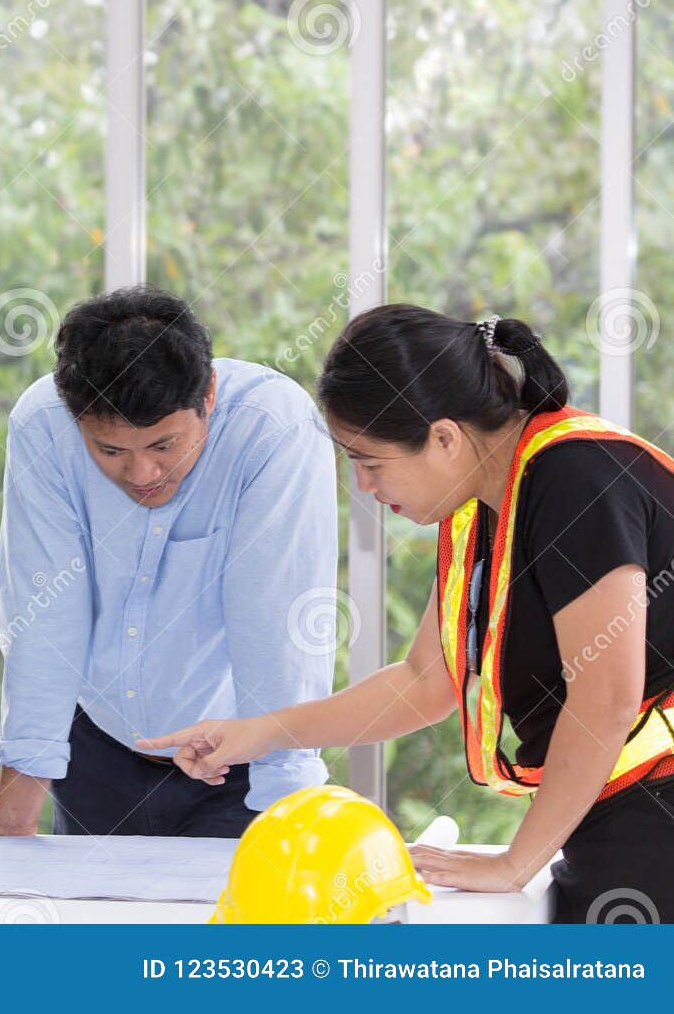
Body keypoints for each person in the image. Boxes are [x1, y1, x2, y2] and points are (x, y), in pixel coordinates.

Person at [139, 304, 674, 923]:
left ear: (444, 437)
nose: (364, 488)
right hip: (627, 806)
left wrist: (514, 862)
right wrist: (256, 733)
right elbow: (427, 681)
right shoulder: (486, 501)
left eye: (369, 462)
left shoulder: (572, 477)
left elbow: (606, 697)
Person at [0, 285, 336, 840]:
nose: (142, 475)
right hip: (95, 751)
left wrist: (287, 813)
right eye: (110, 451)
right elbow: (44, 612)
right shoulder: (44, 425)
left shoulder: (272, 429)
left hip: (243, 765)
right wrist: (14, 809)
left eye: (163, 446)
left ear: (210, 395)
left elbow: (275, 626)